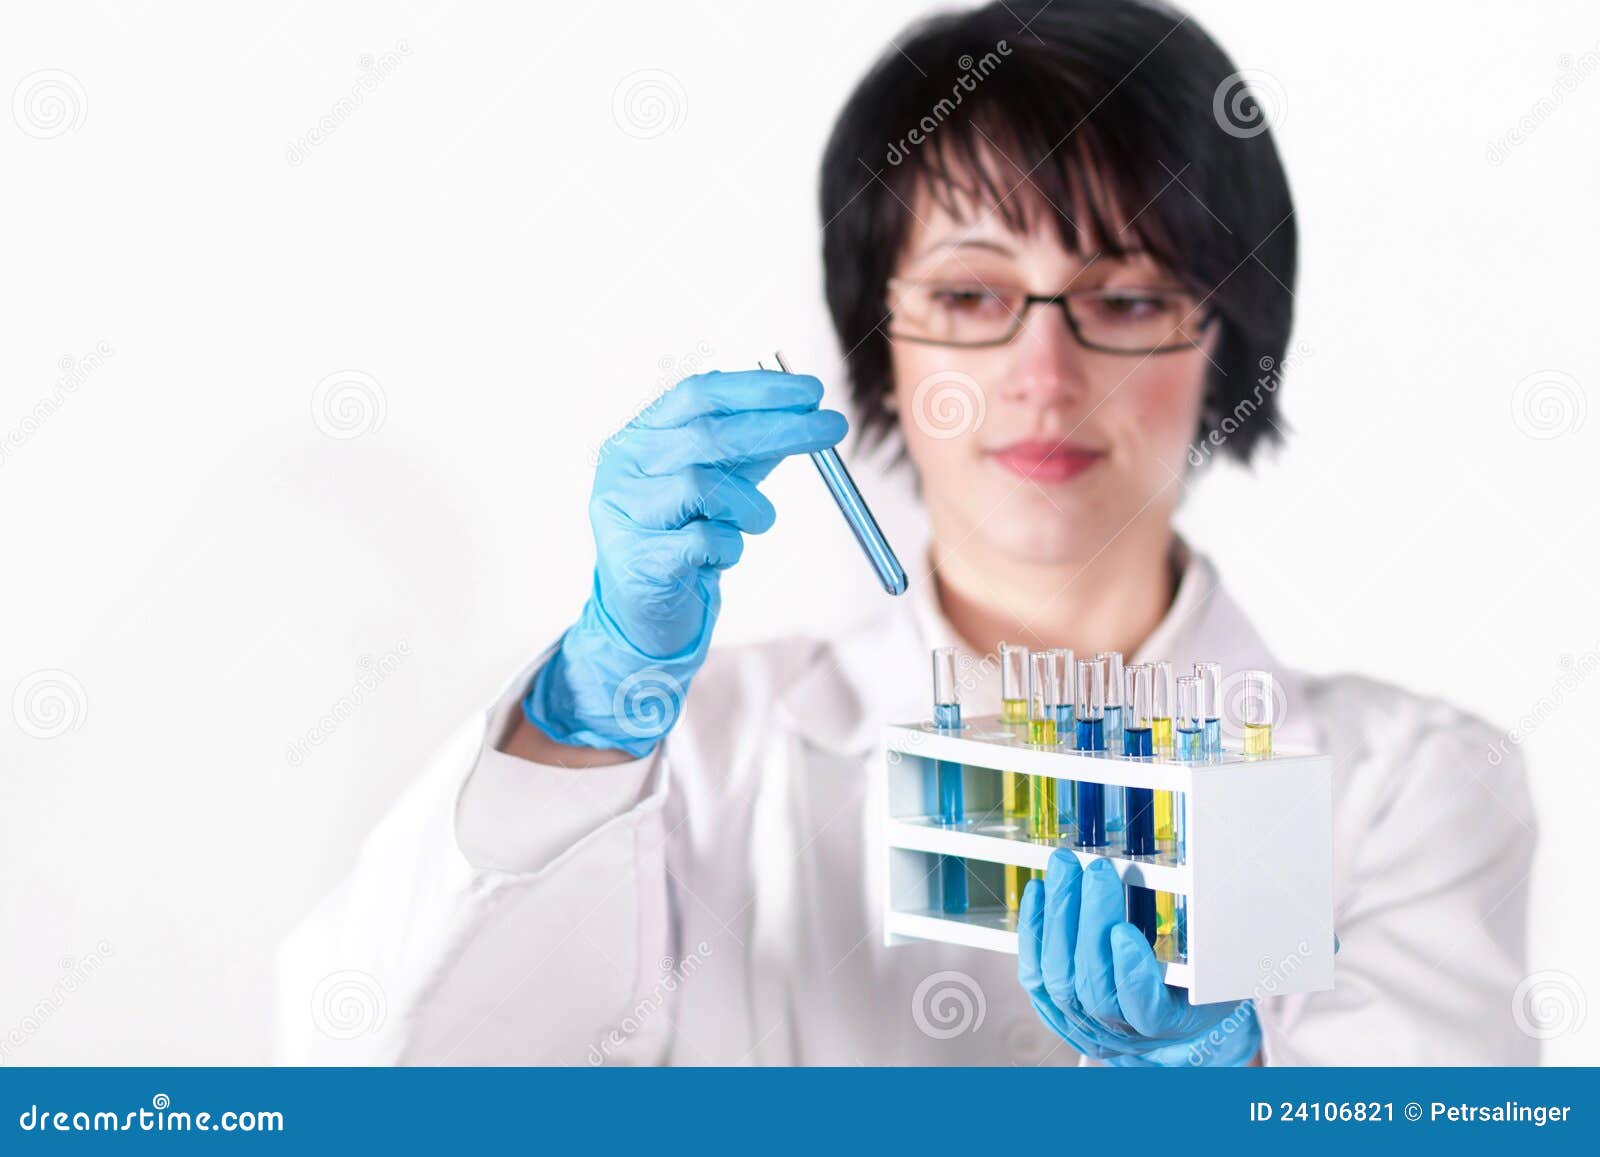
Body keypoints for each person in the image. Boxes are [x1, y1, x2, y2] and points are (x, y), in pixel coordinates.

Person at [277, 0, 1536, 1065]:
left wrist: (1233, 1094)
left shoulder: (1405, 784)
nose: (1043, 374)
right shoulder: (700, 758)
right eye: (970, 292)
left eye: (1126, 296)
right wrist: (591, 709)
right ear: (877, 336)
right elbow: (375, 1064)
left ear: (1227, 339)